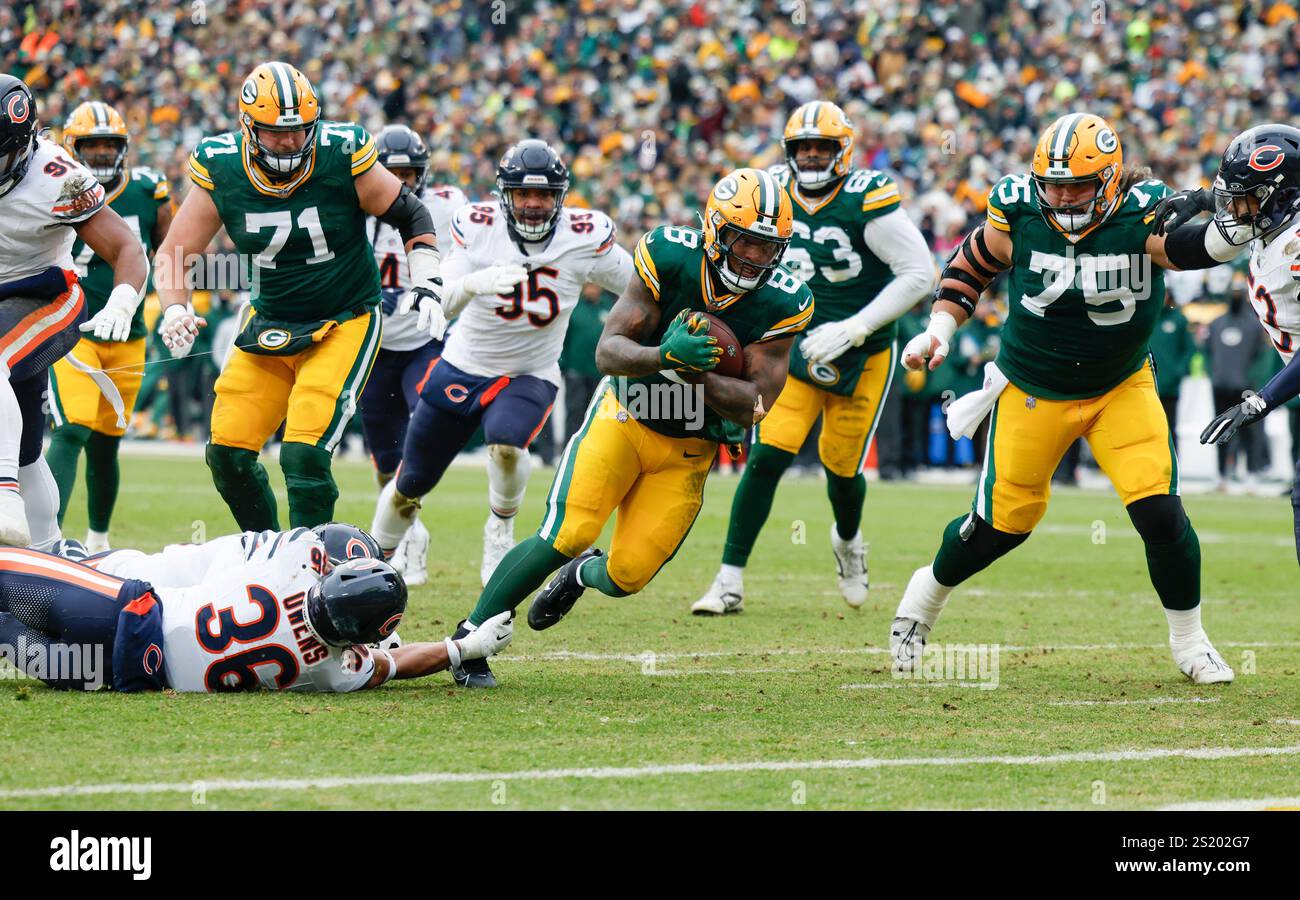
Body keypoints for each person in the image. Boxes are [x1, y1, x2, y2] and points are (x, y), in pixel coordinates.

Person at [893, 112, 1250, 685]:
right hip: (1033, 387)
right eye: (1053, 183)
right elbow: (973, 262)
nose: (1061, 196)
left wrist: (1241, 223)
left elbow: (1188, 251)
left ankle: (1190, 640)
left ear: (1109, 180)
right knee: (999, 528)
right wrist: (938, 330)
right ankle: (924, 597)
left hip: (1120, 385)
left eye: (1077, 184)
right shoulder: (1020, 206)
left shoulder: (1142, 209)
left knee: (1159, 509)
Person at [446, 168, 815, 687]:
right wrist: (665, 353)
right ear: (715, 229)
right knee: (567, 532)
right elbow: (608, 352)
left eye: (767, 247)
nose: (755, 257)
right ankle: (472, 636)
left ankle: (580, 575)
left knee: (627, 575)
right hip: (625, 416)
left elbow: (755, 405)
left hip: (689, 449)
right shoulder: (668, 253)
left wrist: (694, 372)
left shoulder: (787, 299)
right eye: (745, 241)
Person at [155, 62, 443, 532]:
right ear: (248, 127)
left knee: (304, 454)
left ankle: (308, 567)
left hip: (343, 318)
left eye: (299, 130)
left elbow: (410, 213)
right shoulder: (221, 164)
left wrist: (427, 279)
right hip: (270, 319)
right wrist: (174, 306)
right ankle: (267, 553)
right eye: (275, 132)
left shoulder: (340, 150)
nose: (289, 142)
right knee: (227, 453)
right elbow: (175, 252)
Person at [693, 101, 934, 615]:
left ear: (842, 150)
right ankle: (728, 579)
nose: (811, 155)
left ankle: (849, 544)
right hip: (798, 348)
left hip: (864, 352)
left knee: (841, 468)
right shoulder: (771, 191)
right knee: (767, 457)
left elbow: (919, 273)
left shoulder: (866, 197)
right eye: (803, 146)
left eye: (822, 146)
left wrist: (855, 327)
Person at [370, 140, 632, 588]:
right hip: (462, 365)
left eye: (544, 195)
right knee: (407, 486)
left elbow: (638, 287)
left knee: (507, 443)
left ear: (560, 197)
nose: (533, 204)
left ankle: (500, 530)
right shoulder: (478, 227)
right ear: (503, 195)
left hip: (529, 372)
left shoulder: (586, 235)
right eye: (523, 194)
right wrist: (474, 282)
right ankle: (373, 561)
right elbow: (440, 294)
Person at [0, 529, 512, 692]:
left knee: (7, 566)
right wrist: (461, 648)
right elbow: (398, 664)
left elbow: (324, 543)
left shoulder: (294, 561)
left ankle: (70, 559)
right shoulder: (333, 668)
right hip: (128, 677)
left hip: (126, 611)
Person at [0, 75, 148, 550]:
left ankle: (3, 501)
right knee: (24, 449)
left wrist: (123, 300)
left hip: (47, 294)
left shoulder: (56, 175)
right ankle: (51, 558)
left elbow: (126, 246)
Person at [46, 101, 173, 553]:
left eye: (109, 144)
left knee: (106, 442)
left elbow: (173, 251)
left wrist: (175, 307)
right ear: (71, 147)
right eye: (92, 144)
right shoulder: (54, 184)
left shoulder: (147, 190)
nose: (101, 153)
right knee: (72, 428)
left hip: (128, 334)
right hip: (71, 329)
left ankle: (99, 540)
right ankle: (49, 541)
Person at [1181, 126, 1300, 562]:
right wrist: (1198, 199)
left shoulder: (1294, 241)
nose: (1234, 209)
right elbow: (1199, 243)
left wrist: (1261, 402)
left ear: (1281, 195)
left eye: (1244, 197)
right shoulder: (1273, 226)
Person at [357, 124, 466, 585]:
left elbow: (464, 254)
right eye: (391, 171)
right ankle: (410, 532)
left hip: (423, 337)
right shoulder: (354, 202)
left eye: (408, 172)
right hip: (373, 344)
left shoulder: (445, 207)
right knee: (383, 452)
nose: (400, 182)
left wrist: (432, 290)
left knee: (423, 423)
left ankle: (411, 535)